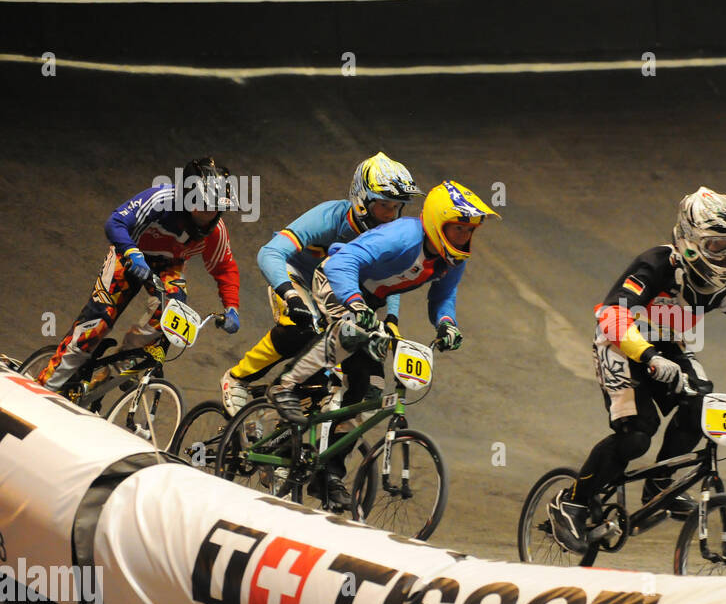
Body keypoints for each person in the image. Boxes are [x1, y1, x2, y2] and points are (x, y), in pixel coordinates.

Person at [547, 186, 726, 552]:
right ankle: (572, 502)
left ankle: (659, 484)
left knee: (699, 405)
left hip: (669, 349)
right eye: (717, 246)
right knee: (637, 435)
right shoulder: (658, 264)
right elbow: (611, 315)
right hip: (622, 346)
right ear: (690, 241)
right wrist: (646, 356)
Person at [265, 177, 499, 435]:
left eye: (469, 231)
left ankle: (330, 467)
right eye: (458, 229)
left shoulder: (452, 259)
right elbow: (339, 263)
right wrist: (355, 303)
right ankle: (284, 386)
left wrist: (447, 324)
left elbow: (444, 296)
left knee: (370, 393)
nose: (464, 237)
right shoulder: (403, 236)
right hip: (337, 280)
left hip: (366, 299)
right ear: (437, 223)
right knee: (351, 333)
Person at [219, 152, 421, 415]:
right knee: (305, 326)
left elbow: (391, 281)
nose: (391, 216)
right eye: (384, 206)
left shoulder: (391, 235)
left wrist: (391, 319)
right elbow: (270, 252)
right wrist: (290, 296)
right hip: (299, 277)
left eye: (397, 208)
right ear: (362, 202)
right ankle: (238, 378)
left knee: (361, 350)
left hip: (340, 292)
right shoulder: (329, 217)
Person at [38, 158, 241, 392]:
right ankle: (45, 386)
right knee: (96, 324)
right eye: (204, 205)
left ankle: (123, 364)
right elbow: (115, 222)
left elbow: (225, 268)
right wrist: (132, 253)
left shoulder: (215, 232)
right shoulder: (161, 200)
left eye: (216, 208)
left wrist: (232, 307)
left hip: (168, 266)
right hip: (129, 255)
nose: (210, 214)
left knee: (173, 308)